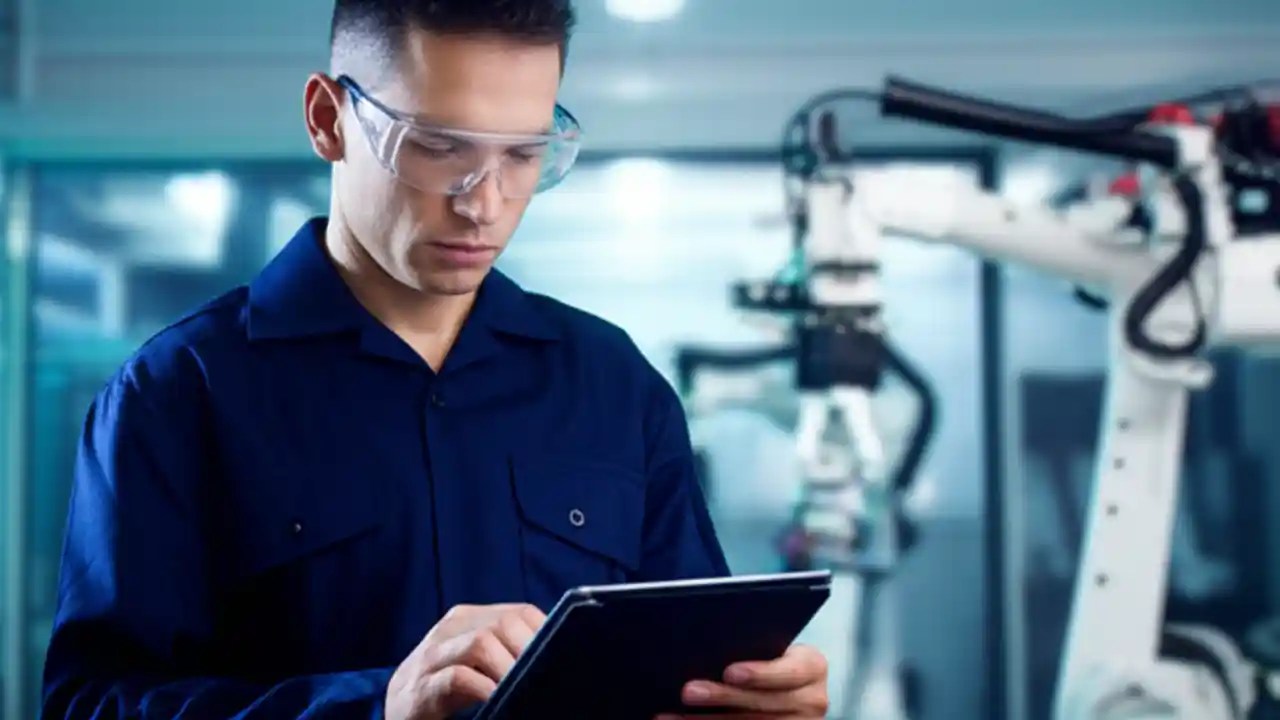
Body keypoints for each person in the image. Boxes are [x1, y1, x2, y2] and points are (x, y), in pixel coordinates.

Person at [41, 1, 831, 718]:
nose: (483, 201)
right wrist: (378, 708)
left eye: (524, 153)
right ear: (328, 119)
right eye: (436, 146)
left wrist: (744, 700)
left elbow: (681, 670)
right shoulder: (179, 394)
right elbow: (91, 706)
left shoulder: (614, 385)